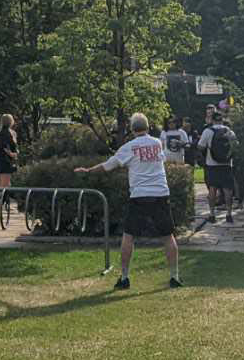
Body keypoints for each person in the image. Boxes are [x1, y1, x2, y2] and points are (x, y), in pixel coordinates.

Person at [76, 113, 179, 291]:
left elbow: (108, 165)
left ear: (132, 129)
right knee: (168, 236)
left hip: (139, 195)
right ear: (148, 127)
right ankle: (174, 276)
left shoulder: (129, 147)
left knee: (129, 236)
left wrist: (88, 170)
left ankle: (124, 277)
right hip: (161, 193)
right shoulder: (157, 143)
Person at [199, 111, 238, 224]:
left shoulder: (208, 131)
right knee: (228, 190)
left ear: (212, 119)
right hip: (226, 164)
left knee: (212, 189)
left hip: (212, 165)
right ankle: (229, 214)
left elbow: (201, 146)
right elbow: (236, 146)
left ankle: (212, 214)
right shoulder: (229, 131)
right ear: (222, 119)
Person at [0, 114, 18, 196]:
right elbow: (3, 146)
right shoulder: (3, 133)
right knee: (4, 183)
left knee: (6, 182)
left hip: (7, 159)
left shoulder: (10, 132)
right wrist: (11, 154)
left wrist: (15, 153)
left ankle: (3, 201)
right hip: (5, 159)